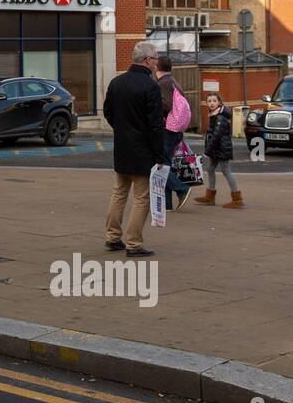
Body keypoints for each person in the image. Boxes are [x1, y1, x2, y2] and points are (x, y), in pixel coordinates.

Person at [101, 40, 168, 257]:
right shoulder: (151, 87)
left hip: (122, 147)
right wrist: (160, 155)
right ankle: (134, 243)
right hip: (143, 150)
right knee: (141, 197)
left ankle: (112, 237)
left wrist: (121, 130)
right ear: (148, 61)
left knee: (119, 192)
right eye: (155, 59)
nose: (157, 63)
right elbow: (156, 125)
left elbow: (108, 112)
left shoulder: (116, 82)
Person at [155, 54, 194, 209]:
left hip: (168, 129)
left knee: (160, 166)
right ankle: (167, 204)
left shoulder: (163, 83)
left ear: (157, 67)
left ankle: (182, 188)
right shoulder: (173, 81)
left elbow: (166, 105)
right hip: (177, 128)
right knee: (167, 164)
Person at [195, 93, 243, 208]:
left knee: (226, 170)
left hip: (222, 148)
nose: (211, 103)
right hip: (215, 149)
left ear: (219, 103)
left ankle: (237, 199)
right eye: (209, 101)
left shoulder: (221, 117)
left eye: (214, 101)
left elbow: (217, 135)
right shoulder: (214, 114)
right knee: (210, 169)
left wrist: (207, 150)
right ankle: (210, 197)